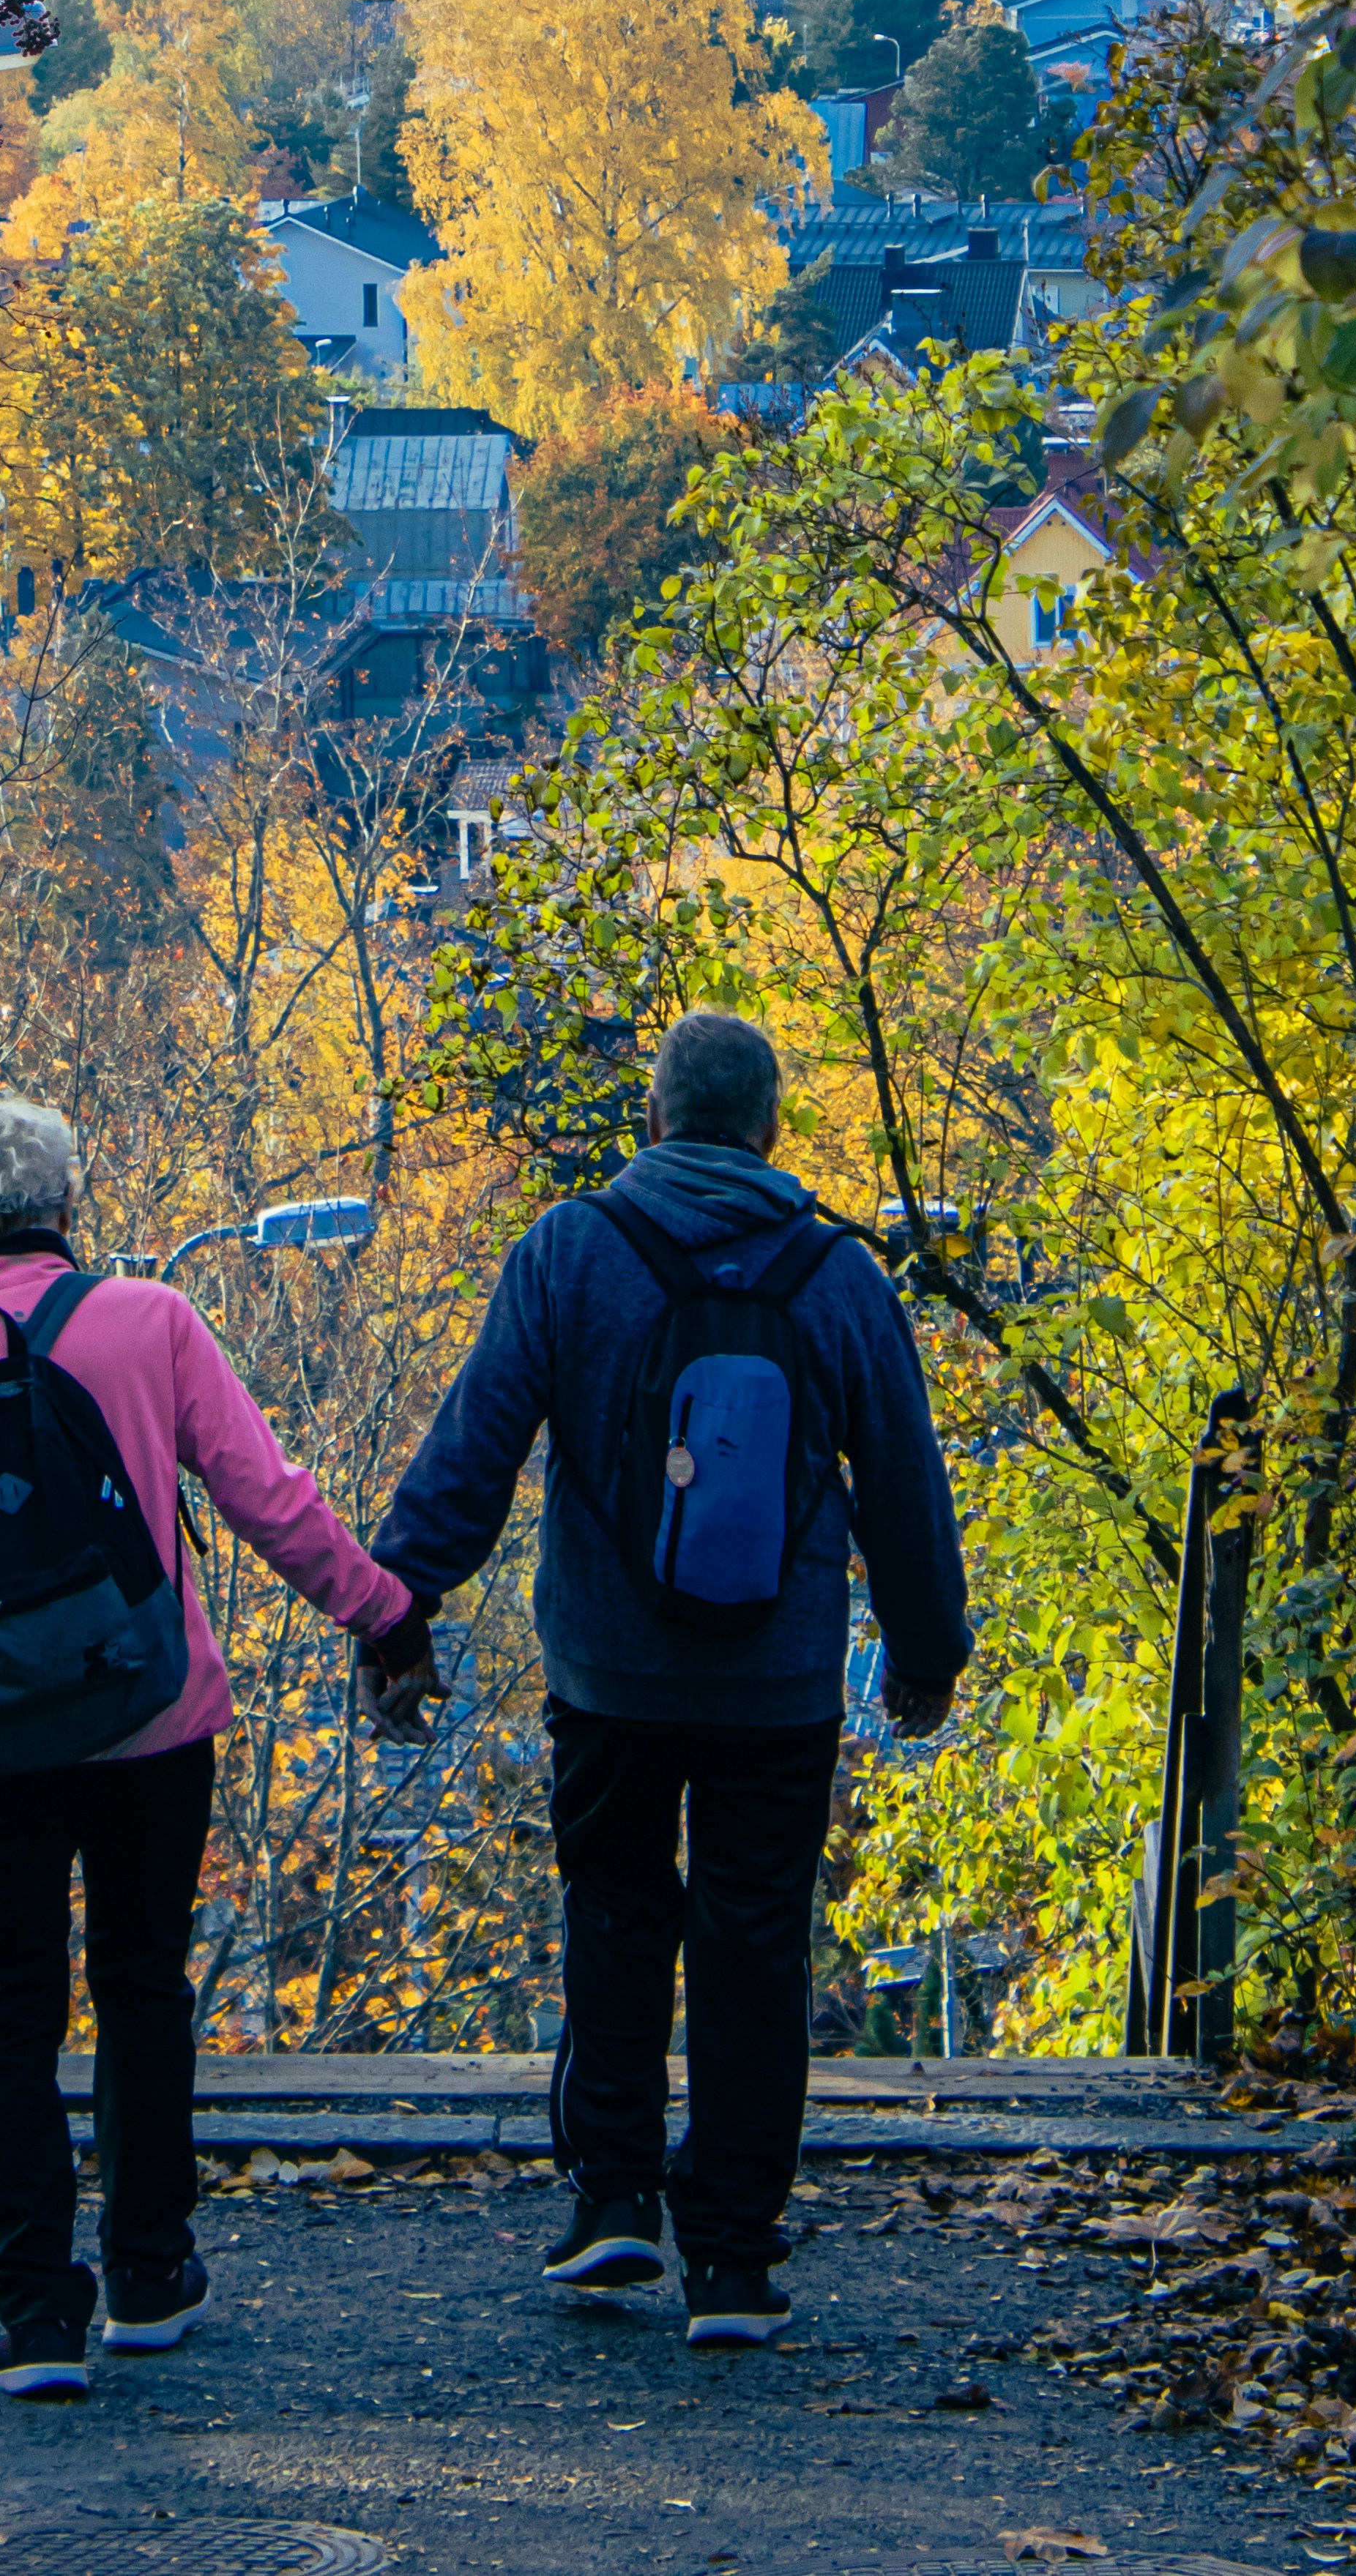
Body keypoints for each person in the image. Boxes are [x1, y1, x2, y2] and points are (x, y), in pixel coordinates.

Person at [362, 1007, 969, 2351]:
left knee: (617, 1908)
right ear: (765, 1126)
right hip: (780, 1675)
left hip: (609, 1665)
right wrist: (926, 1653)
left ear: (653, 1116)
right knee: (755, 1940)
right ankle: (737, 2259)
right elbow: (906, 1483)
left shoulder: (572, 1251)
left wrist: (397, 1608)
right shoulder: (838, 1275)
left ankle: (613, 2195)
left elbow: (476, 1446)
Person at [0, 1093, 420, 2402]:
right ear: (65, 1205)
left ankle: (37, 2312)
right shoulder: (155, 1323)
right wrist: (379, 1613)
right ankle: (151, 2273)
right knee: (144, 1986)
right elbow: (268, 1495)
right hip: (154, 1719)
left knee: (8, 2017)